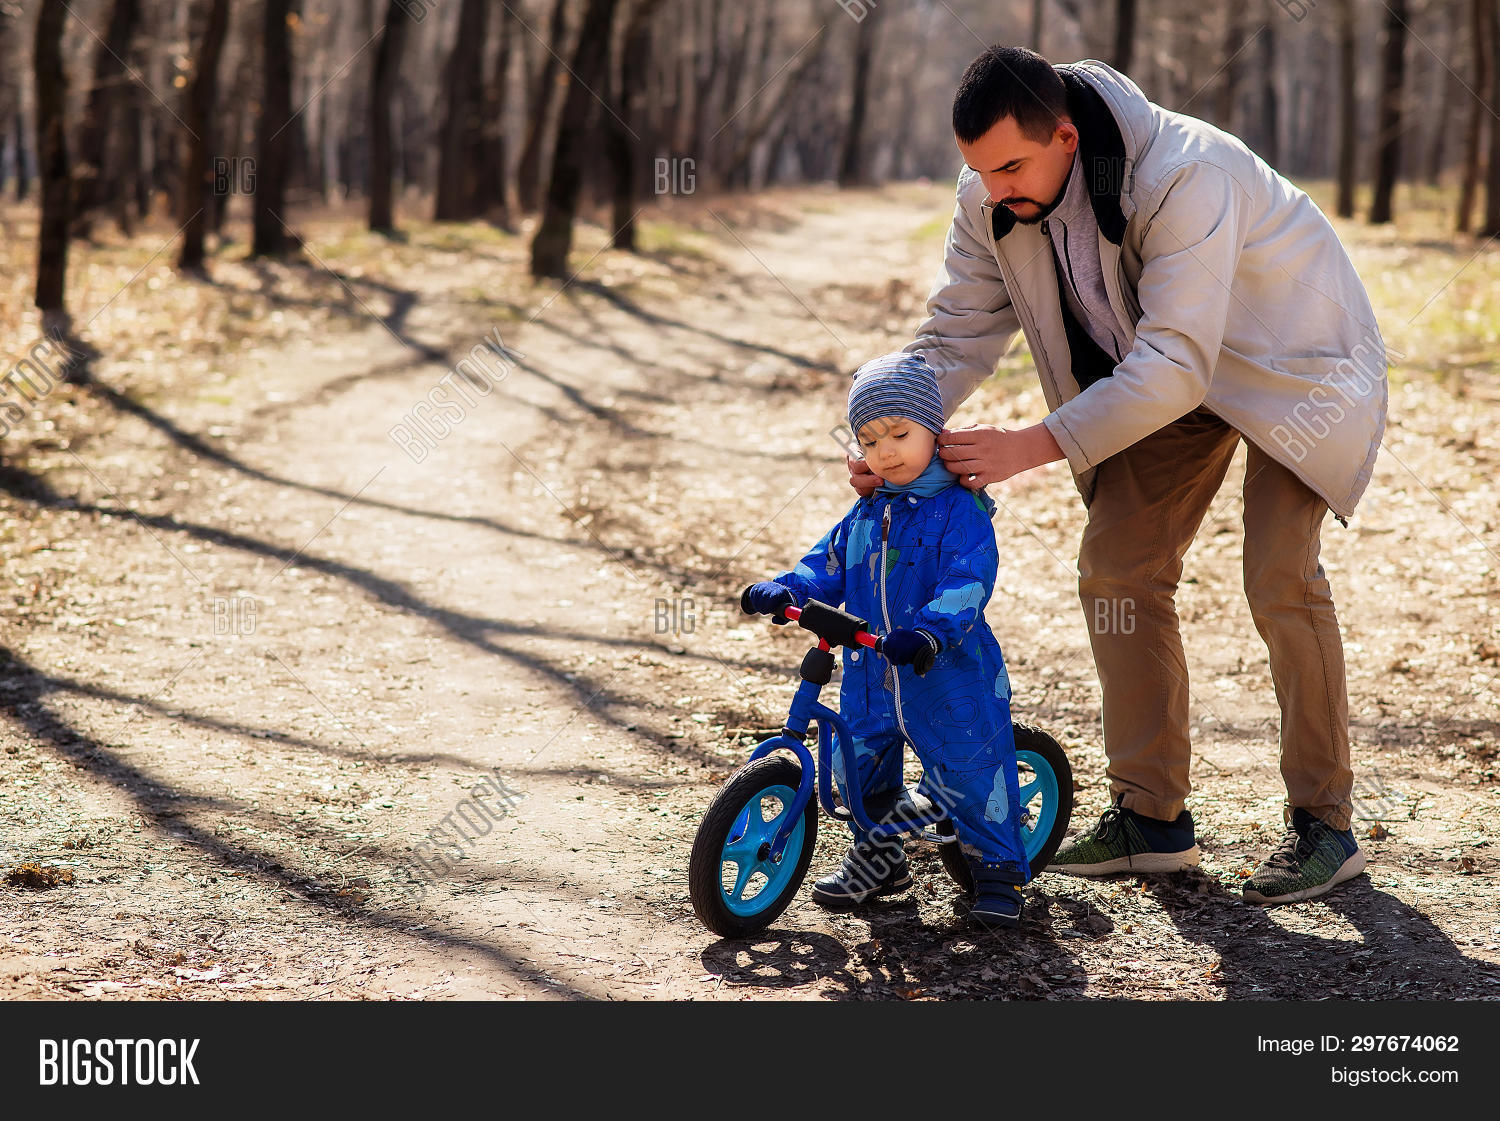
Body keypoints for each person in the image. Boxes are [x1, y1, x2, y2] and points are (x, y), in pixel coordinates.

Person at [847, 46, 1385, 905]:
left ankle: (1326, 824)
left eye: (1011, 165)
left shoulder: (1187, 174)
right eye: (978, 170)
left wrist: (1032, 442)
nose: (993, 189)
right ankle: (1152, 821)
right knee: (1117, 569)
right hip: (1169, 380)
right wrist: (898, 431)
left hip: (1296, 372)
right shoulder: (991, 193)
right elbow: (955, 336)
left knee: (1278, 571)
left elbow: (1177, 357)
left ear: (1065, 136)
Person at [742, 352, 1030, 928]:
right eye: (870, 441)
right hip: (871, 669)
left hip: (946, 670)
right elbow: (828, 563)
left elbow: (967, 580)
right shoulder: (868, 512)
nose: (887, 451)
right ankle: (880, 858)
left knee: (970, 767)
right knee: (857, 768)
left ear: (935, 431)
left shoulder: (959, 510)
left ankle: (996, 869)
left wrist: (930, 630)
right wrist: (785, 587)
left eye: (901, 434)